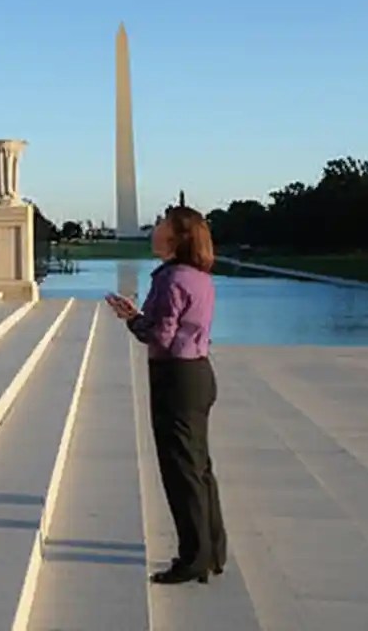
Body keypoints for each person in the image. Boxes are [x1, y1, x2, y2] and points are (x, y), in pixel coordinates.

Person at [105, 205, 227, 585]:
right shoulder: (200, 277)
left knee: (180, 472)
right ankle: (211, 550)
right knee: (200, 467)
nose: (154, 229)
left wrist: (133, 320)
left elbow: (160, 336)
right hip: (199, 374)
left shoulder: (170, 279)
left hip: (175, 377)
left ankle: (192, 557)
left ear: (176, 237)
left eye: (161, 224)